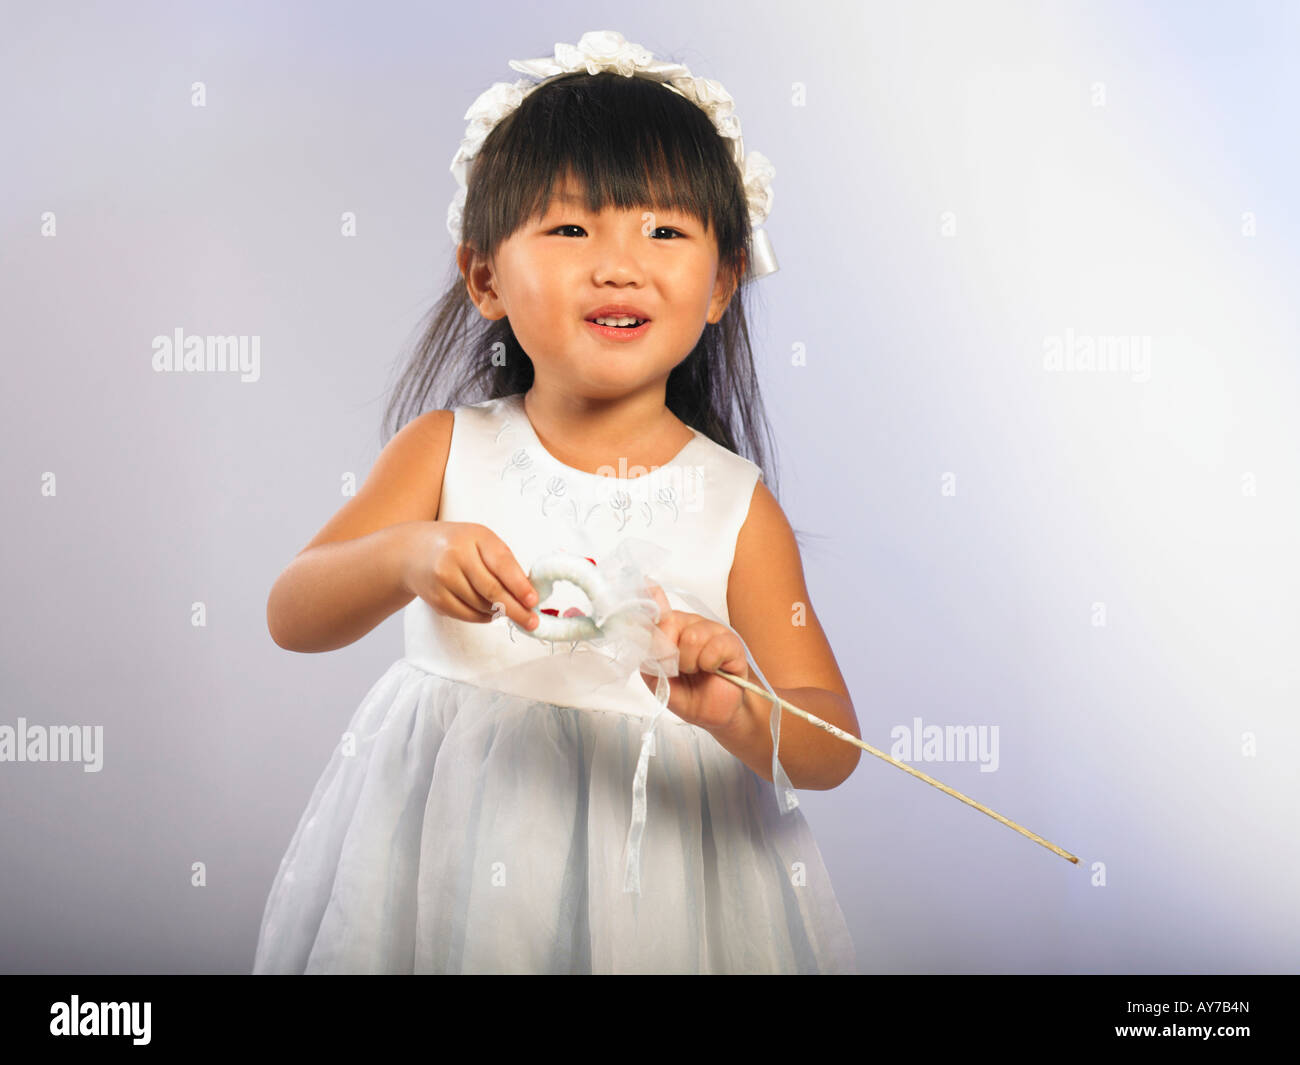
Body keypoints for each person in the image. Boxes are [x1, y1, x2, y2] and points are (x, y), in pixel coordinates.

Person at [252, 30, 861, 974]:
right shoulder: (448, 450)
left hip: (665, 883)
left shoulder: (735, 504)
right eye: (572, 229)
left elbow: (831, 744)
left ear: (722, 282)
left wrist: (741, 705)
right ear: (486, 277)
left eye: (664, 231)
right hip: (445, 863)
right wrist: (405, 551)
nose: (619, 264)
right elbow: (294, 612)